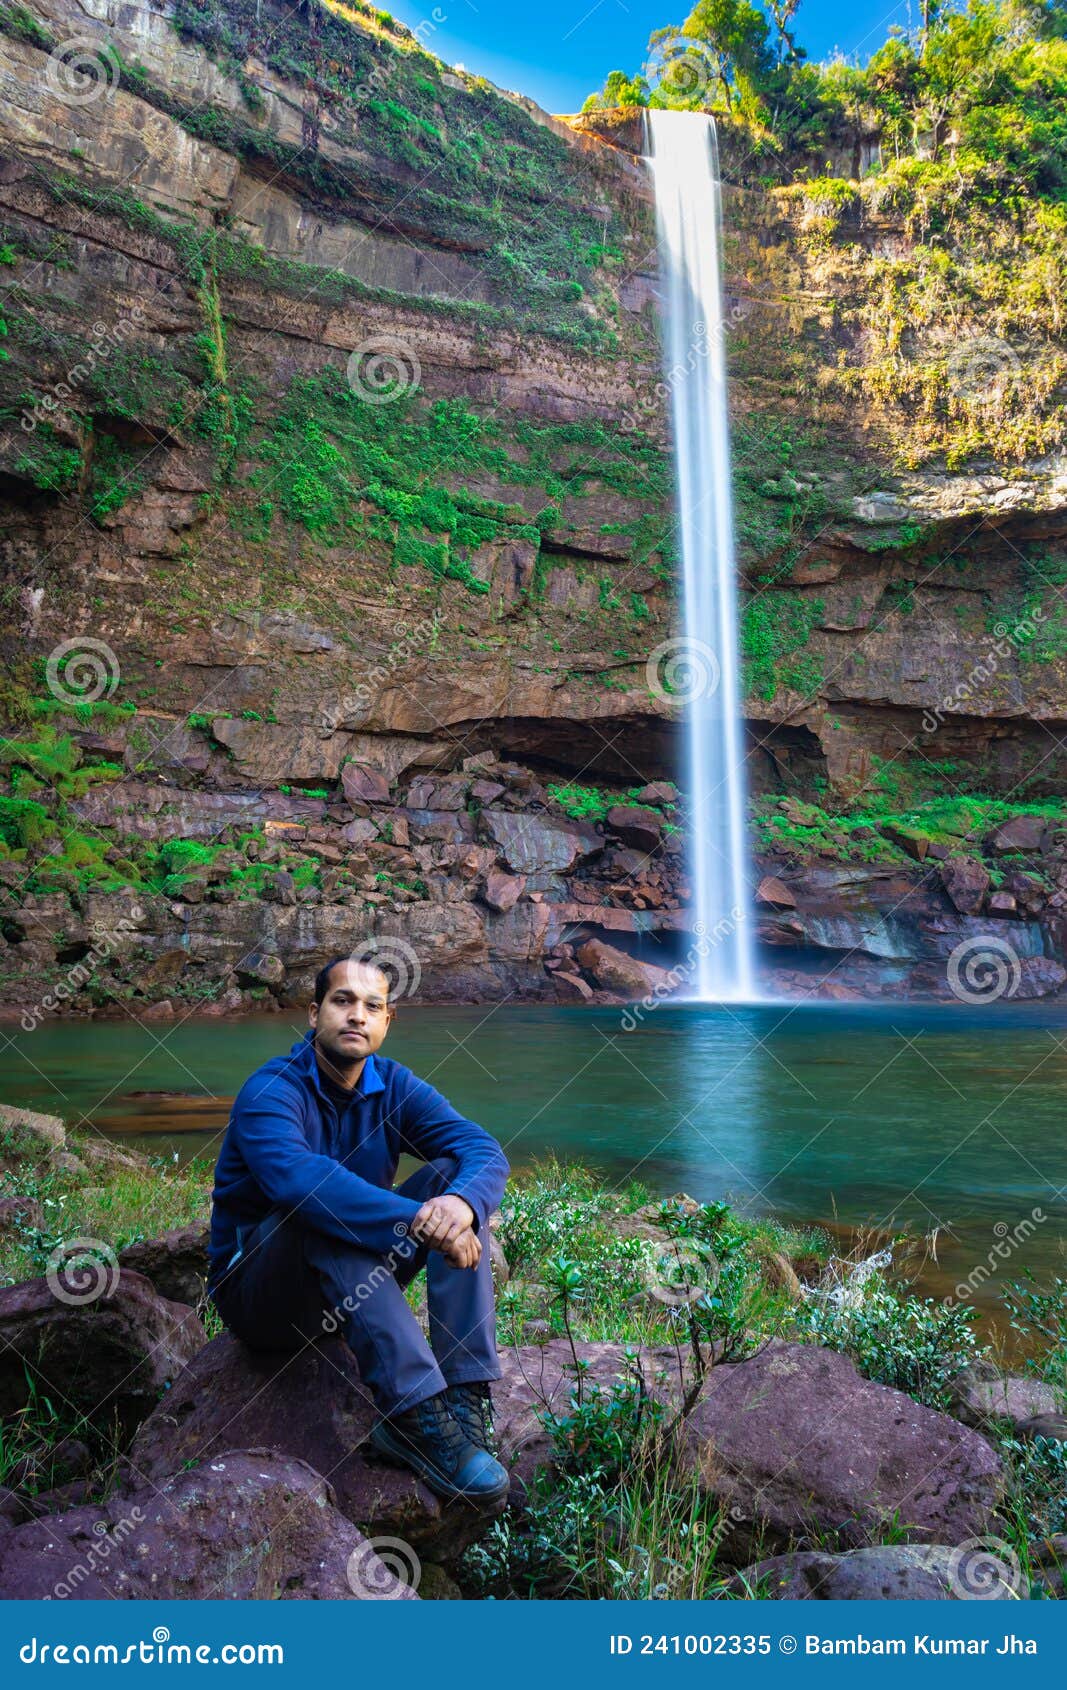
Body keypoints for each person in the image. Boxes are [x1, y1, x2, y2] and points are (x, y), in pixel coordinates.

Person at [206, 953, 511, 1508]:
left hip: (350, 1288)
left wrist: (460, 1205)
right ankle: (416, 1415)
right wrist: (422, 1222)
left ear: (387, 1022)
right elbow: (299, 1183)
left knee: (450, 1180)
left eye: (373, 1006)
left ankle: (464, 1397)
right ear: (313, 1013)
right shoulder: (271, 1089)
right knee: (317, 1211)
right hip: (264, 1297)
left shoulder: (392, 1085)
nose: (357, 1016)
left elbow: (482, 1148)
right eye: (342, 1001)